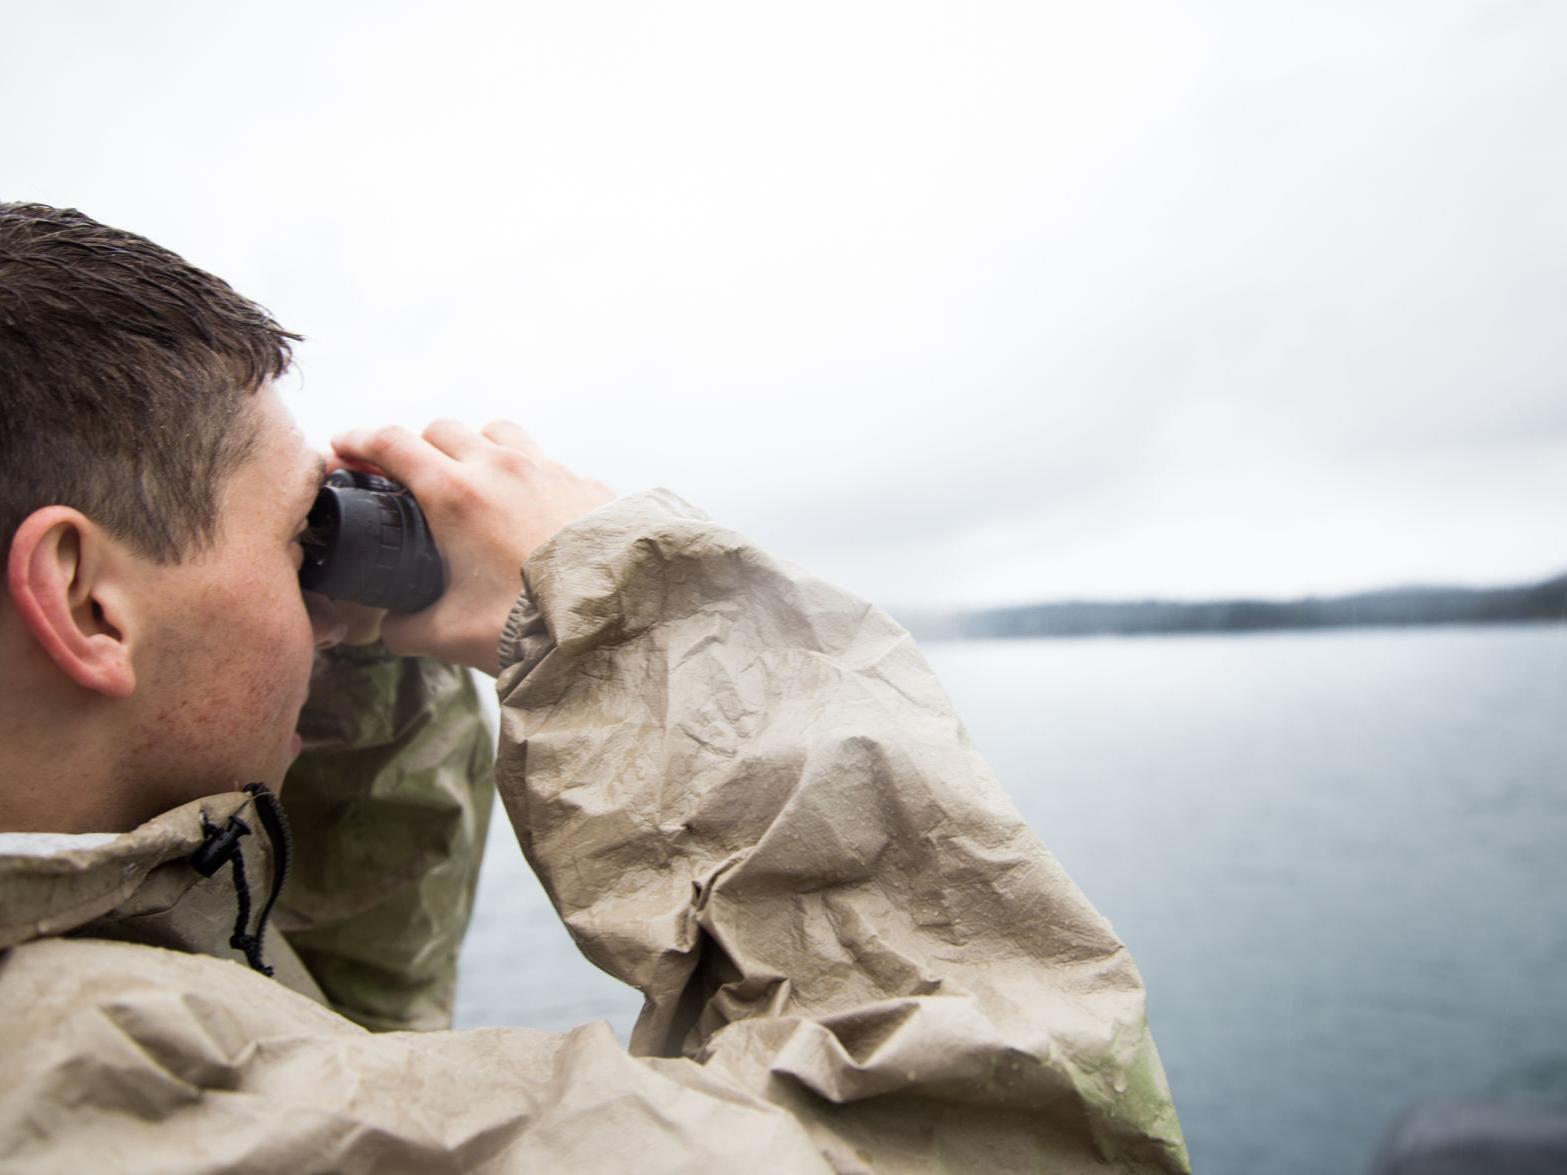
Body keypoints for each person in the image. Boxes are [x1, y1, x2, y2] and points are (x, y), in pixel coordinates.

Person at [0, 202, 1189, 1172]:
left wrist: (350, 671)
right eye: (288, 539)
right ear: (89, 599)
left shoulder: (119, 1015)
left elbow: (334, 1021)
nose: (311, 590)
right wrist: (630, 605)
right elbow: (1012, 1134)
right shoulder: (88, 1073)